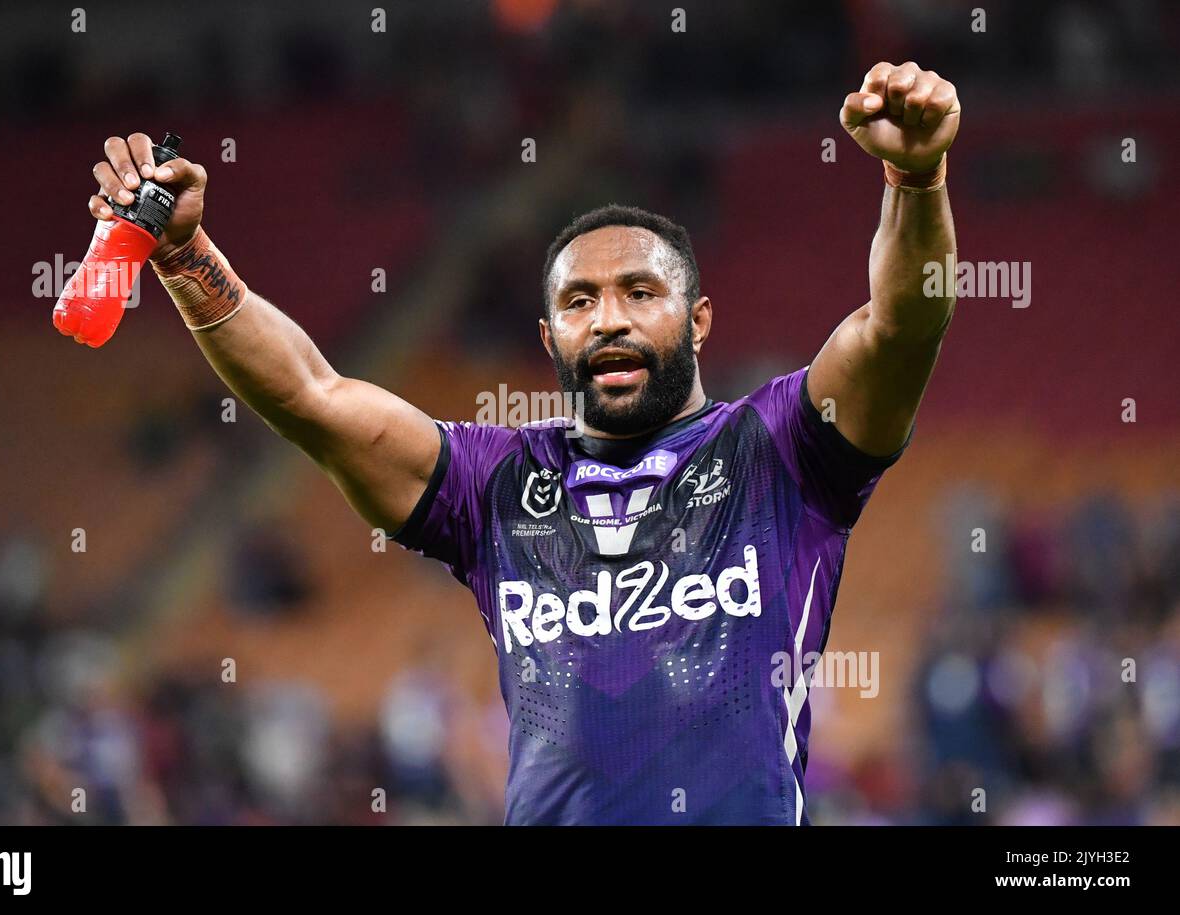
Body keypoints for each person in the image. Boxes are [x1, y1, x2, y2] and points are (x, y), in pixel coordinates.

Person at [80, 61, 959, 824]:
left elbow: (900, 329)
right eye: (578, 301)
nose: (608, 318)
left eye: (639, 291)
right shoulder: (493, 483)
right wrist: (186, 251)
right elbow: (313, 397)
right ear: (548, 340)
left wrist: (914, 184)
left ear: (697, 320)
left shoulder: (783, 453)